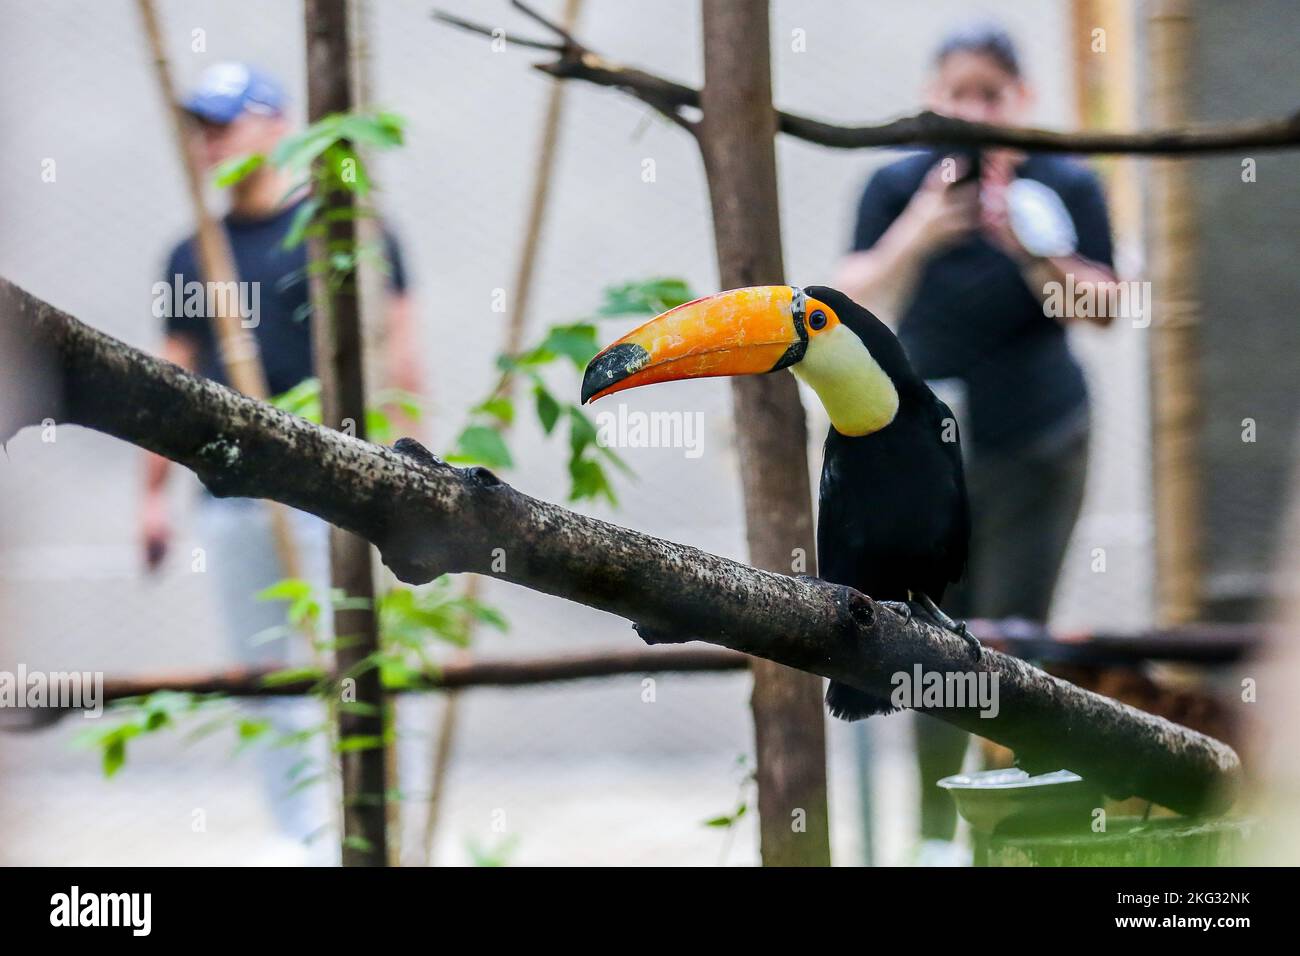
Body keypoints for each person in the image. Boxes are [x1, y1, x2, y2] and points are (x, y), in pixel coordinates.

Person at [834, 24, 1118, 864]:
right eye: (958, 93)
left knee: (1014, 643)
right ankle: (930, 840)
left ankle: (1010, 840)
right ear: (933, 96)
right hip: (925, 463)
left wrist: (1036, 253)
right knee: (927, 645)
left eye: (990, 94)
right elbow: (840, 303)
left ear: (1020, 101)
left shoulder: (1064, 182)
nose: (973, 111)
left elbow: (1105, 311)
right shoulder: (895, 184)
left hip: (1039, 445)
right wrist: (920, 230)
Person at [139, 62, 421, 863]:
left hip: (345, 489)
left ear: (280, 124)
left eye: (228, 121)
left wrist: (415, 481)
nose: (213, 141)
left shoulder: (349, 233)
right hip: (230, 495)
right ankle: (300, 839)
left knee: (362, 652)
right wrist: (152, 498)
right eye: (203, 126)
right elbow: (170, 379)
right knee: (261, 670)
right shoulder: (194, 252)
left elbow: (401, 361)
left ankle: (375, 824)